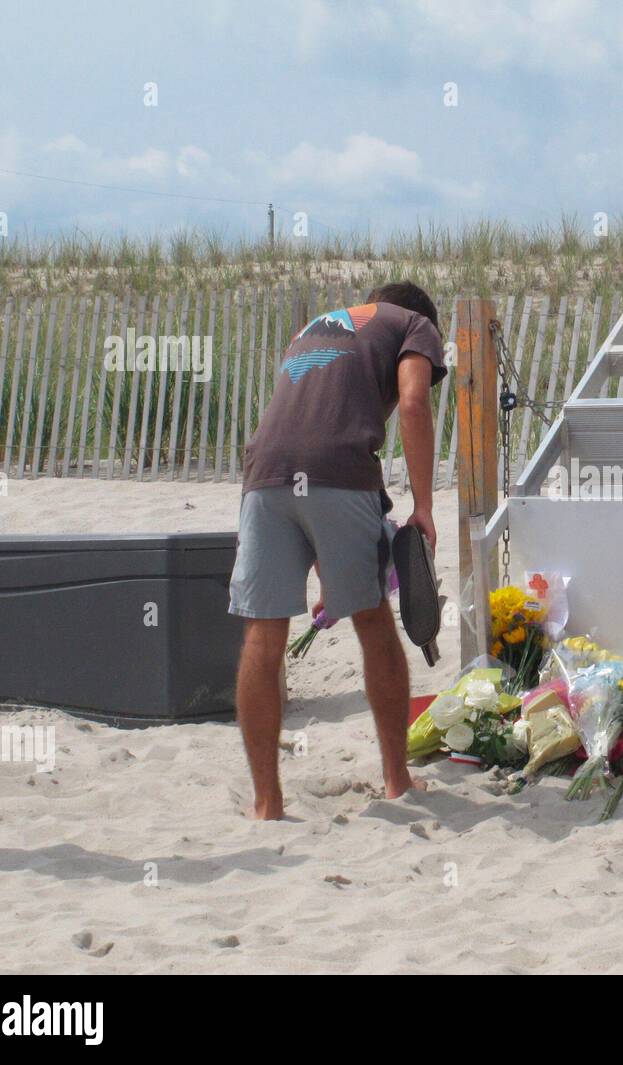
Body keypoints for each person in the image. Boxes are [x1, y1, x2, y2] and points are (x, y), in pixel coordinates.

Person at [227, 280, 446, 819]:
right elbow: (414, 404)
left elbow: (309, 422)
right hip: (342, 471)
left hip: (263, 475)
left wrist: (328, 570)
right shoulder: (414, 324)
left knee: (264, 628)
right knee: (373, 622)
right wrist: (424, 505)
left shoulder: (313, 328)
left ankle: (266, 803)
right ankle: (397, 781)